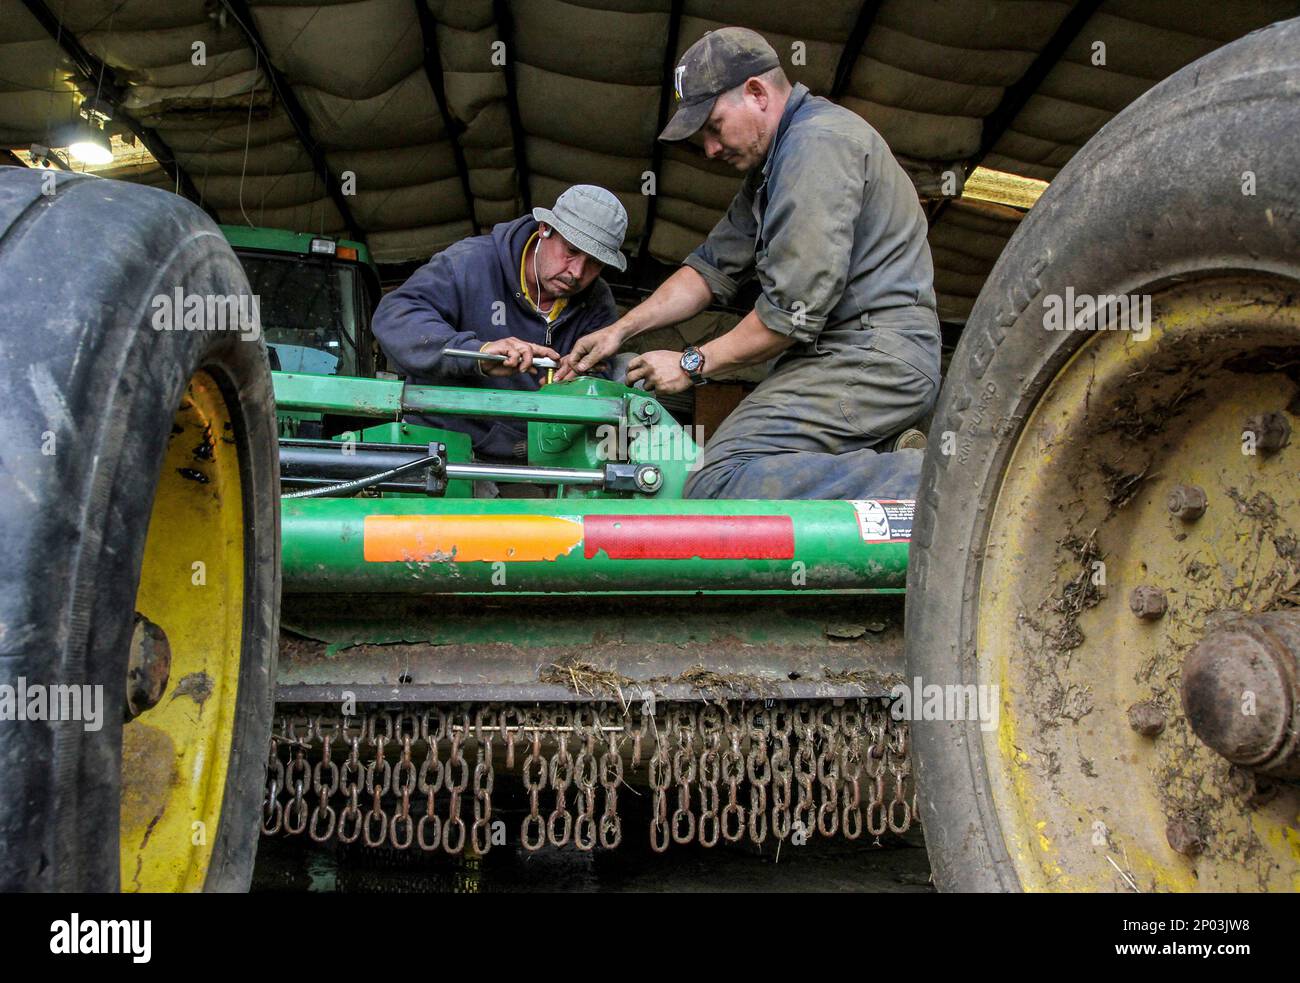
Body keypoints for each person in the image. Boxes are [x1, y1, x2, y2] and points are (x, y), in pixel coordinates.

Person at [556, 28, 939, 500]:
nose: (711, 149)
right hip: (842, 357)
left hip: (873, 357)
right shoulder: (772, 169)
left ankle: (924, 484)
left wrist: (692, 363)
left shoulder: (816, 145)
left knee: (717, 483)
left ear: (757, 93)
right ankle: (884, 482)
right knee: (747, 474)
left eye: (714, 127)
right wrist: (622, 331)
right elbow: (708, 269)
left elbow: (788, 313)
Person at [372, 184, 627, 464]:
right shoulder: (469, 263)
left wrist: (577, 383)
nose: (577, 272)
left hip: (536, 459)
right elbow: (395, 315)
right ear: (545, 229)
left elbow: (601, 377)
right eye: (571, 251)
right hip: (445, 450)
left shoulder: (598, 301)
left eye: (594, 263)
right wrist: (478, 354)